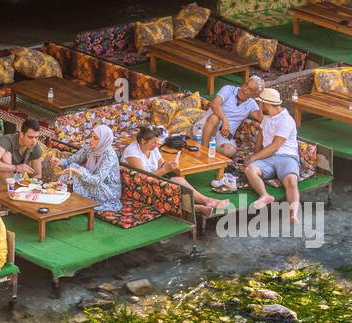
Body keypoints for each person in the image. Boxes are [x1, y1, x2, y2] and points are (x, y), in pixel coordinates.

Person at [122, 125, 231, 215]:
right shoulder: (132, 153)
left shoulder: (152, 148)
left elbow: (162, 164)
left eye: (157, 142)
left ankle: (207, 201)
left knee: (179, 180)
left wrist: (170, 165)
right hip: (136, 187)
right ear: (142, 141)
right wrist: (164, 170)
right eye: (153, 142)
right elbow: (144, 178)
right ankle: (196, 208)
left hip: (153, 181)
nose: (156, 145)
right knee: (168, 190)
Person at [243, 88, 302, 224]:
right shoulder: (267, 117)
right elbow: (261, 135)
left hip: (286, 157)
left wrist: (254, 158)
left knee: (291, 181)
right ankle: (265, 195)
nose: (259, 106)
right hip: (268, 158)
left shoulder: (286, 120)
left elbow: (275, 146)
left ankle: (293, 214)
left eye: (260, 103)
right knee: (249, 170)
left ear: (266, 104)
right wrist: (255, 153)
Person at [58, 124, 122, 212]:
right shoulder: (90, 148)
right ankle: (61, 199)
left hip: (108, 191)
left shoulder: (109, 156)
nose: (91, 140)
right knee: (73, 168)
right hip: (92, 183)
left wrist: (79, 173)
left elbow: (97, 180)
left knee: (75, 170)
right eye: (91, 136)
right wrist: (59, 162)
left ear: (104, 140)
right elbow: (73, 160)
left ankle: (68, 204)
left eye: (95, 138)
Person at [199, 76, 264, 158]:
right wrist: (225, 120)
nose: (244, 89)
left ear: (254, 94)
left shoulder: (251, 103)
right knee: (215, 118)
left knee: (230, 151)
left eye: (250, 89)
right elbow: (214, 104)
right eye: (246, 84)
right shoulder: (229, 89)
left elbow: (261, 118)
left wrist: (262, 97)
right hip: (206, 128)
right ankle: (203, 150)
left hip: (223, 136)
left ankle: (210, 149)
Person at [0, 119, 47, 190]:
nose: (34, 141)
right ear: (22, 134)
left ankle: (13, 190)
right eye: (30, 137)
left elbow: (38, 174)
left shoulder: (34, 146)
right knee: (6, 155)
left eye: (36, 137)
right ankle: (12, 190)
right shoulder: (7, 140)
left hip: (15, 182)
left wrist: (30, 184)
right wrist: (16, 167)